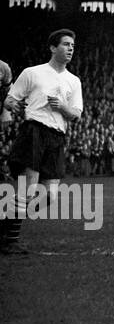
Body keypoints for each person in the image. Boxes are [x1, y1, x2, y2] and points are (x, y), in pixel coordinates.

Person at [2, 29, 84, 255]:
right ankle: (11, 240)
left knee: (50, 196)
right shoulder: (33, 73)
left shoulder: (73, 81)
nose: (70, 49)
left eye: (72, 46)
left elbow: (76, 114)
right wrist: (11, 105)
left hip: (57, 137)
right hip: (34, 131)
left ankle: (7, 223)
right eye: (66, 44)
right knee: (27, 187)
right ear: (52, 47)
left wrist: (62, 107)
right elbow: (11, 98)